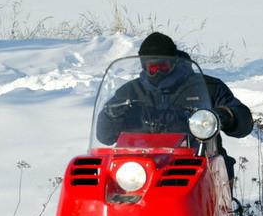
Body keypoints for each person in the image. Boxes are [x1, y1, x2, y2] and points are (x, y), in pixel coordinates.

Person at [96, 32, 253, 185]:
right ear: (144, 66)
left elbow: (244, 122)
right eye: (152, 68)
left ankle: (222, 210)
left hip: (199, 164)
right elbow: (105, 137)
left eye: (163, 66)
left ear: (174, 62)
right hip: (140, 171)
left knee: (218, 171)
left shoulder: (207, 87)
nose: (157, 72)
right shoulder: (130, 92)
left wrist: (226, 115)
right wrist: (111, 115)